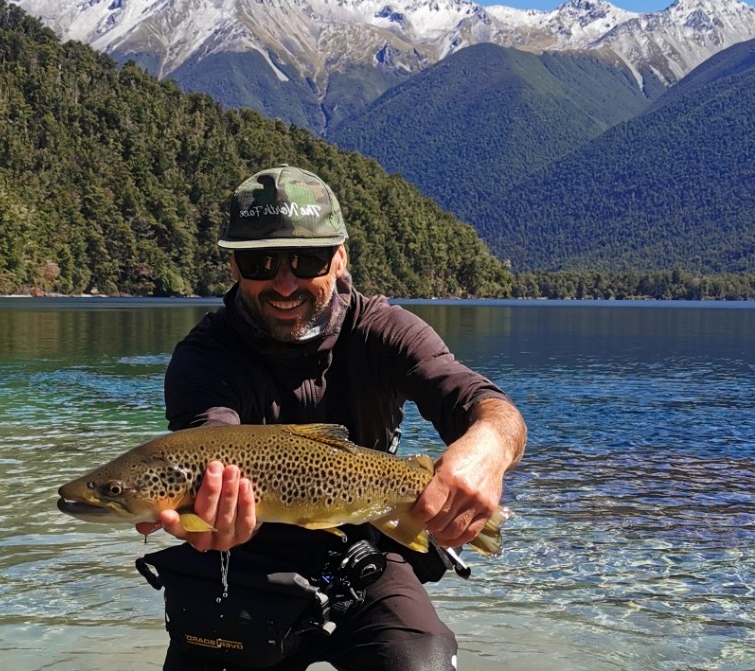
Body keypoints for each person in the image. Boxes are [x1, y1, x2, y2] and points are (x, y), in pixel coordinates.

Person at [137, 165, 527, 671]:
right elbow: (208, 443)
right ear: (233, 266)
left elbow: (485, 404)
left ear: (340, 258)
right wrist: (202, 510)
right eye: (261, 262)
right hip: (234, 562)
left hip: (362, 553)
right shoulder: (204, 357)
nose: (284, 282)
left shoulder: (385, 331)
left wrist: (488, 448)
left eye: (309, 260)